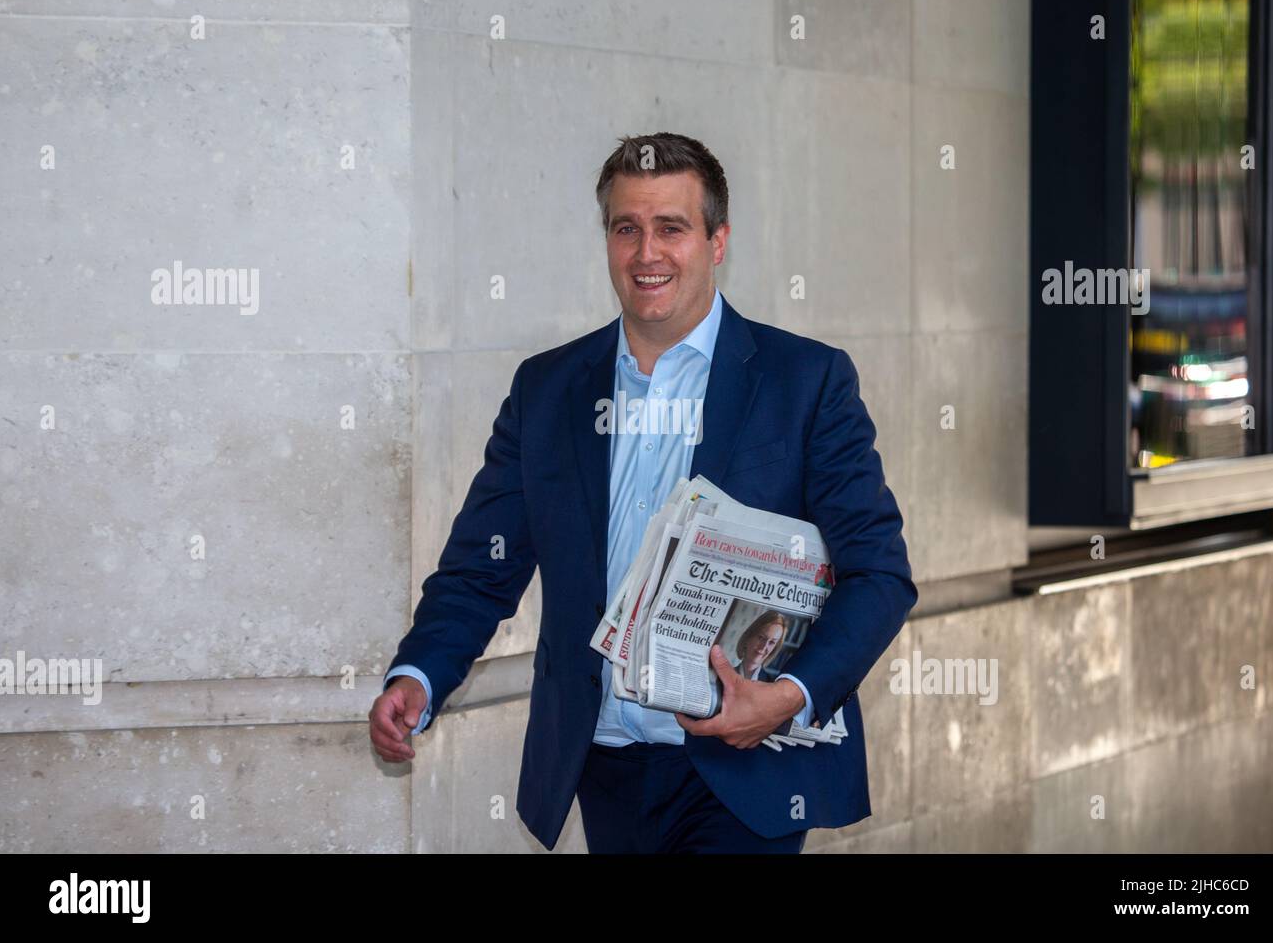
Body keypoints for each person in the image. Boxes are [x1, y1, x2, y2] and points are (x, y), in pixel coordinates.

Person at [369, 132, 916, 854]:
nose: (646, 253)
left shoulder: (805, 383)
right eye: (627, 228)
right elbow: (482, 565)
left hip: (743, 767)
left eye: (671, 228)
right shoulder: (549, 391)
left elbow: (879, 574)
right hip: (605, 767)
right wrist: (419, 674)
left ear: (717, 241)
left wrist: (788, 698)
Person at [729, 611, 787, 683]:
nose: (764, 647)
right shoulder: (724, 676)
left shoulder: (771, 686)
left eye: (772, 642)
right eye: (761, 637)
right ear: (748, 637)